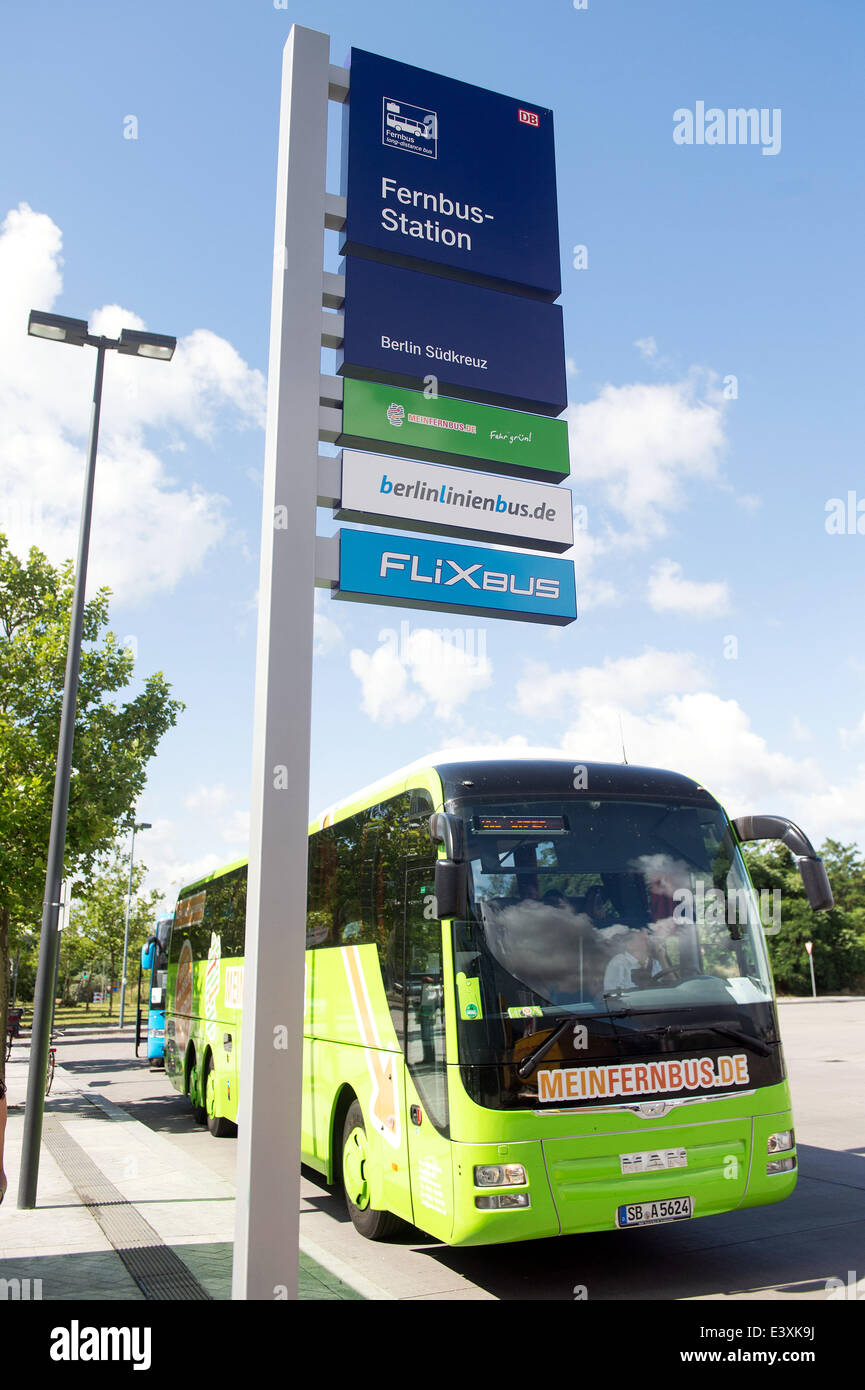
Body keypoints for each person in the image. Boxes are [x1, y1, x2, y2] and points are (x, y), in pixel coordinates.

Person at [603, 926, 663, 993]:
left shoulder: (655, 962)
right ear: (630, 945)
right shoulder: (618, 962)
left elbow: (667, 985)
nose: (649, 942)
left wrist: (662, 957)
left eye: (648, 939)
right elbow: (611, 993)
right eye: (643, 940)